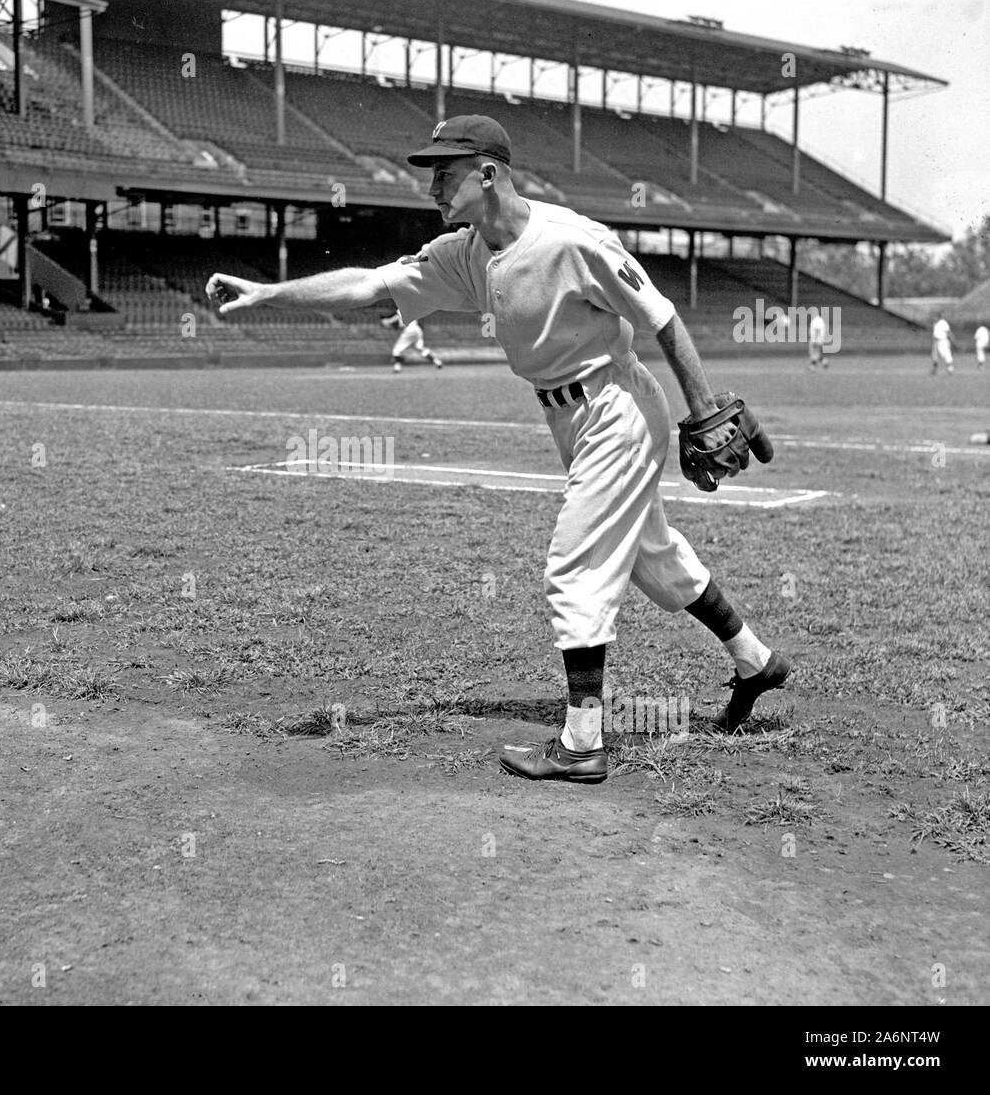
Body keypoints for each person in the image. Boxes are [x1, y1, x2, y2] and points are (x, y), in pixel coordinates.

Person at [207, 115, 791, 783]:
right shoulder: (467, 253)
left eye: (444, 173)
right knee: (655, 563)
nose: (431, 185)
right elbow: (371, 283)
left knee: (575, 569)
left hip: (617, 408)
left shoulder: (572, 240)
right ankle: (755, 662)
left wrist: (704, 407)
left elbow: (660, 317)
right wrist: (268, 294)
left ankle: (581, 744)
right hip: (572, 421)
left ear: (488, 174)